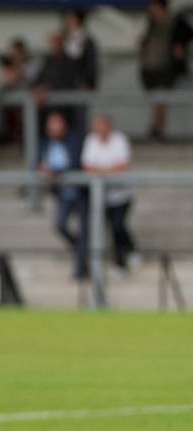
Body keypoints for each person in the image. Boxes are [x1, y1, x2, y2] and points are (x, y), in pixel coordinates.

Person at [81, 113, 137, 278]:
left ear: (109, 126)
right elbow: (87, 167)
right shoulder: (90, 141)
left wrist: (100, 171)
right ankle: (128, 251)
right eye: (97, 126)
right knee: (111, 227)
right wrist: (108, 171)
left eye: (103, 125)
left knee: (118, 225)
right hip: (101, 196)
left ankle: (122, 261)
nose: (100, 129)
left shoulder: (120, 140)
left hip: (122, 195)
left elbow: (122, 167)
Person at [39, 111, 86, 281]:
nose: (54, 127)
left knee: (85, 231)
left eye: (57, 123)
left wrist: (55, 171)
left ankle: (80, 270)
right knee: (60, 225)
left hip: (80, 193)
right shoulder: (45, 143)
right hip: (62, 194)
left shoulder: (73, 141)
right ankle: (81, 250)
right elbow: (38, 162)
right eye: (52, 124)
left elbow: (75, 163)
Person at [139, 0, 193, 140]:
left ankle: (158, 127)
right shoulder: (152, 23)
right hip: (151, 66)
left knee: (161, 97)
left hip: (166, 67)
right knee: (157, 99)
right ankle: (156, 127)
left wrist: (179, 45)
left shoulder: (174, 22)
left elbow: (187, 34)